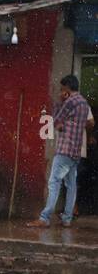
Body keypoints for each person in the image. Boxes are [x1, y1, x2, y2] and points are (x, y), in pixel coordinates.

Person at [29, 74, 94, 228]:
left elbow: (56, 119)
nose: (60, 90)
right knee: (71, 185)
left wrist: (60, 101)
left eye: (62, 88)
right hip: (76, 151)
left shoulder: (70, 101)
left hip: (65, 150)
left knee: (54, 182)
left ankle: (44, 218)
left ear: (67, 87)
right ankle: (67, 218)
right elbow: (86, 123)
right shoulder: (84, 103)